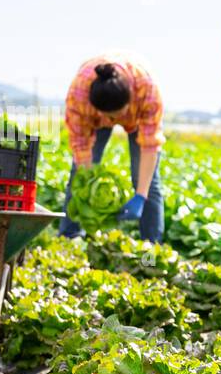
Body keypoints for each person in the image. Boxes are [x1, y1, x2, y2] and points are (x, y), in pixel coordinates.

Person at [60, 53, 165, 242]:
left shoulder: (147, 90)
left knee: (151, 184)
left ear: (130, 101)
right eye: (108, 117)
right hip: (92, 118)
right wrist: (87, 187)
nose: (113, 122)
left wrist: (141, 195)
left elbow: (150, 147)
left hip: (138, 116)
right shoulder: (79, 96)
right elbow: (80, 144)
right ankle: (70, 236)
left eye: (117, 116)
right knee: (78, 175)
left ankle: (151, 246)